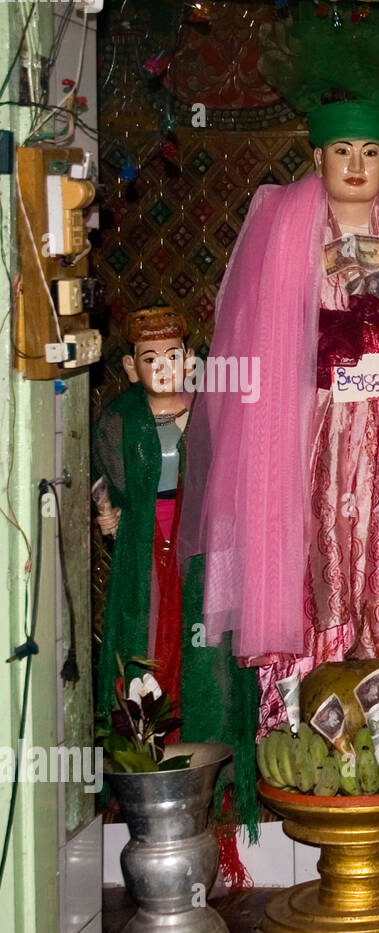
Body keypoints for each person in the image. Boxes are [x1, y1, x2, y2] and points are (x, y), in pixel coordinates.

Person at [179, 90, 379, 738]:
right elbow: (260, 335)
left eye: (370, 151)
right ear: (318, 157)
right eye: (343, 151)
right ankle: (307, 707)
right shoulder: (286, 228)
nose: (357, 165)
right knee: (316, 544)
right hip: (312, 424)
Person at [94, 306, 260, 831]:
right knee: (150, 657)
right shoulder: (120, 420)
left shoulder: (214, 407)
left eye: (173, 356)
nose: (163, 367)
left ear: (189, 358)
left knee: (209, 659)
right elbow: (109, 486)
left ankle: (220, 795)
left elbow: (241, 474)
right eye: (149, 359)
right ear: (129, 367)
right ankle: (149, 789)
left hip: (207, 546)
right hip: (148, 546)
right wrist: (111, 516)